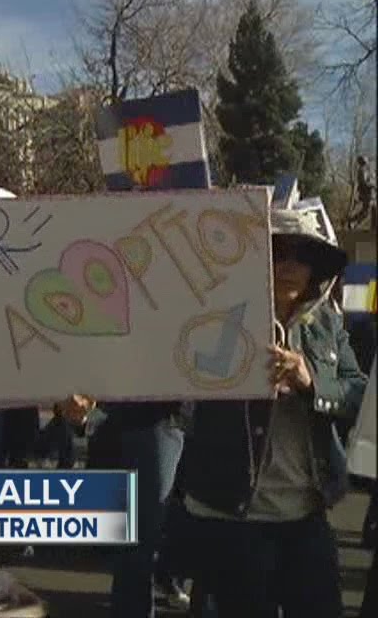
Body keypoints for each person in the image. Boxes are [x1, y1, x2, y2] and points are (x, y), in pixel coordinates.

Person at [181, 207, 367, 617]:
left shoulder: (326, 325)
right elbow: (168, 385)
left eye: (303, 255)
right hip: (233, 515)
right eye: (278, 252)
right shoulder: (215, 316)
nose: (289, 265)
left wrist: (310, 382)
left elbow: (358, 391)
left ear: (316, 267)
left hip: (305, 513)